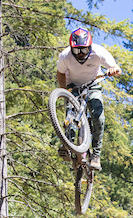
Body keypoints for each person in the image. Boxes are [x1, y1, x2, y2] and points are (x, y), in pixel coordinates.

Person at [56, 27, 122, 171]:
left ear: (90, 48)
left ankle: (96, 155)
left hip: (93, 84)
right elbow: (60, 73)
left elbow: (117, 68)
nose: (80, 54)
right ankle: (67, 145)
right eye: (77, 50)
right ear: (71, 48)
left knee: (98, 117)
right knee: (70, 114)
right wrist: (64, 90)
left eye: (84, 50)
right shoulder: (65, 56)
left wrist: (114, 70)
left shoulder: (99, 52)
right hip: (73, 86)